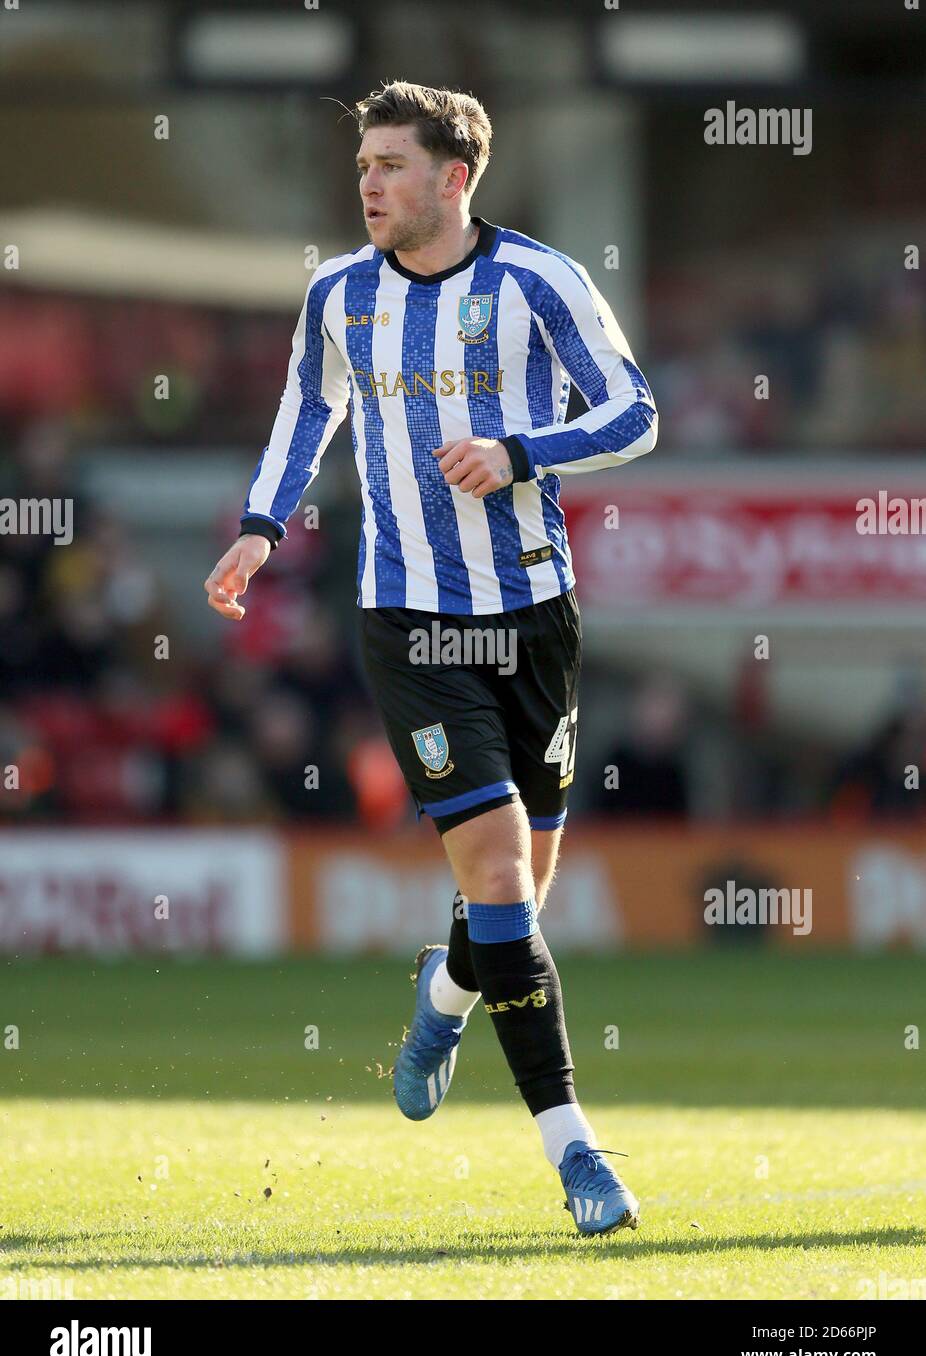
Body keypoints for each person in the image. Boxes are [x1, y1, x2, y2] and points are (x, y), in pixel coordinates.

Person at [204, 81, 658, 1235]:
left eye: (391, 165)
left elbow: (630, 414)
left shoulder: (539, 282)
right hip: (407, 618)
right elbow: (308, 410)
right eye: (362, 163)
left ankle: (445, 990)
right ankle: (576, 1155)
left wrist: (519, 450)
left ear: (454, 178)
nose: (367, 183)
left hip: (534, 618)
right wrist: (262, 524)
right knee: (500, 879)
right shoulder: (339, 295)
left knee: (513, 906)